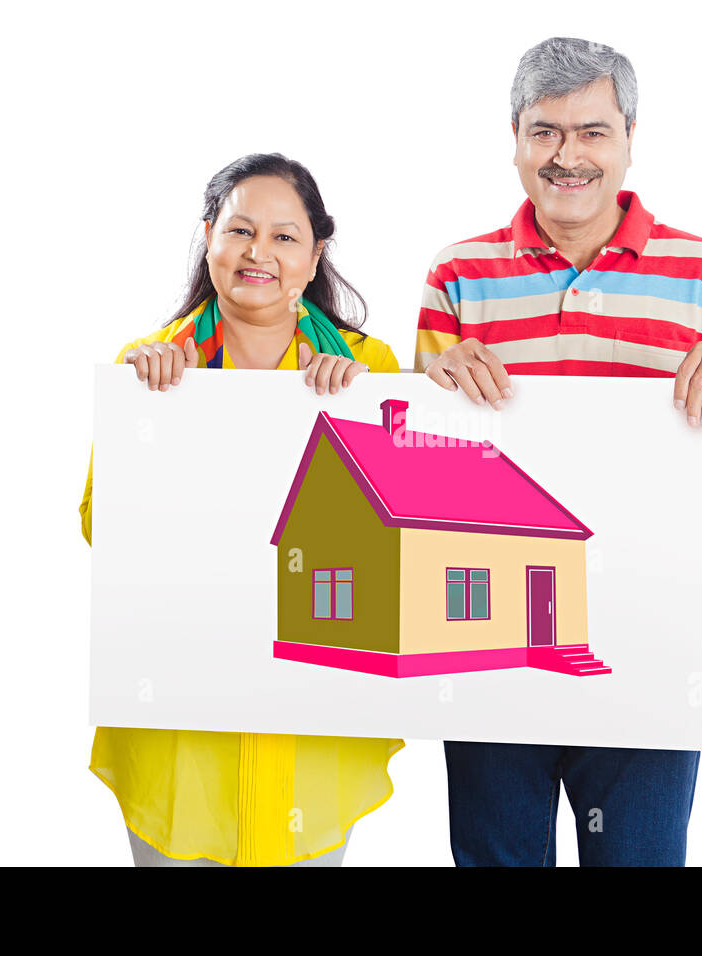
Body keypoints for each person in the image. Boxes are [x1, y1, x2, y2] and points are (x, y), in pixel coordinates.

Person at [414, 37, 702, 866]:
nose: (568, 156)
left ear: (630, 137)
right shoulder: (456, 274)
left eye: (591, 132)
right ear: (516, 141)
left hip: (654, 648)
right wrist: (429, 383)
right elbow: (413, 460)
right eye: (545, 132)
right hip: (493, 648)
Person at [79, 153, 404, 866]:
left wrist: (357, 409)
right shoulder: (150, 368)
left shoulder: (369, 368)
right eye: (240, 231)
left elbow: (403, 533)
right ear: (208, 238)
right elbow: (103, 528)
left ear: (317, 253)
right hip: (182, 734)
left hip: (313, 721)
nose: (260, 253)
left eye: (286, 237)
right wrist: (153, 412)